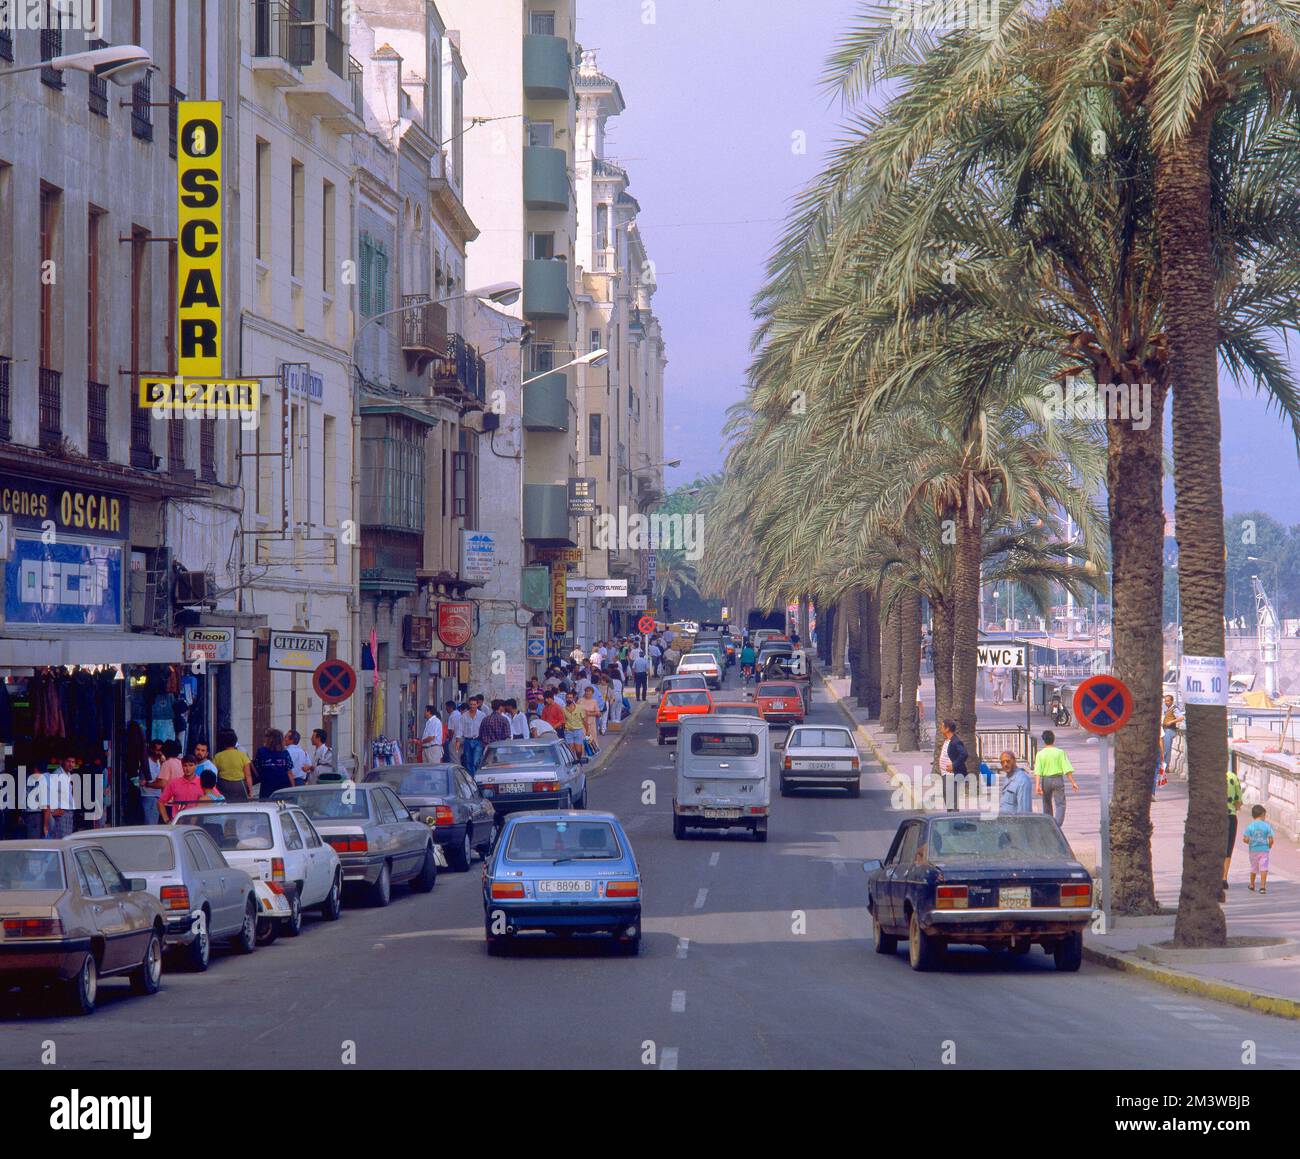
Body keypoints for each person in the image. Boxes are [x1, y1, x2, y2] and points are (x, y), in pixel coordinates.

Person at [1033, 730, 1078, 825]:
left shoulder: (1040, 754)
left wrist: (1037, 786)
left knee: (1046, 803)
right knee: (1060, 804)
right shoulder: (1060, 752)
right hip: (1058, 779)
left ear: (1044, 740)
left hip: (1046, 780)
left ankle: (1049, 825)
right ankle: (1057, 824)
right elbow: (1067, 768)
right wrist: (1073, 782)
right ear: (1054, 739)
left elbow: (1038, 771)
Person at [213, 729, 255, 801]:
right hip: (240, 785)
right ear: (235, 741)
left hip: (223, 785)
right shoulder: (242, 755)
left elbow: (214, 774)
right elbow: (248, 775)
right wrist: (250, 792)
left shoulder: (218, 756)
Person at [42, 756, 78, 839]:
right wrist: (52, 811)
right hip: (61, 814)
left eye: (73, 762)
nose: (71, 764)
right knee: (62, 841)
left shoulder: (68, 775)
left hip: (68, 812)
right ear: (62, 762)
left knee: (67, 840)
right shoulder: (57, 775)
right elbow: (49, 794)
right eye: (68, 761)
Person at [159, 755, 205, 821]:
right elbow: (160, 802)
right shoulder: (174, 783)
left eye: (191, 765)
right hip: (178, 822)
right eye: (185, 765)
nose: (188, 768)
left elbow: (217, 798)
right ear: (182, 766)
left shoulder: (203, 782)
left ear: (196, 766)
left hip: (198, 822)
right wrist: (167, 821)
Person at [254, 729, 296, 800]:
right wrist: (293, 788)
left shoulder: (261, 751)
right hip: (283, 785)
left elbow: (257, 767)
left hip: (267, 785)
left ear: (269, 739)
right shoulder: (285, 753)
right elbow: (289, 772)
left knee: (266, 805)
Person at [1242, 804, 1274, 893]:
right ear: (1262, 814)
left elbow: (1245, 839)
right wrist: (1269, 845)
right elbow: (1271, 839)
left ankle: (1252, 884)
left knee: (1253, 868)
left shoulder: (1250, 826)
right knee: (1264, 868)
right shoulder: (1267, 826)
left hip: (1253, 850)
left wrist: (1250, 842)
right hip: (1264, 850)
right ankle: (1262, 887)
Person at [938, 719, 968, 811]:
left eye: (942, 726)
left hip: (952, 775)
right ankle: (950, 817)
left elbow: (964, 754)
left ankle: (954, 820)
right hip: (945, 774)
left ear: (947, 729)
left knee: (952, 801)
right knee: (948, 799)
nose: (940, 728)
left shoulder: (955, 741)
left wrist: (954, 765)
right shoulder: (947, 740)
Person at [1225, 765, 1244, 893]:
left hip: (1213, 816)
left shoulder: (1209, 774)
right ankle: (1224, 877)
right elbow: (1238, 801)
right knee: (1228, 848)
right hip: (1230, 816)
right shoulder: (1232, 777)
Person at [457, 697, 486, 776]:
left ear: (477, 704)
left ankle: (477, 778)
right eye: (471, 704)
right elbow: (460, 729)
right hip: (467, 741)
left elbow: (485, 728)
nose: (473, 706)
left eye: (474, 704)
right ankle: (471, 780)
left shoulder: (482, 715)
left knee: (475, 761)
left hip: (478, 741)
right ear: (469, 705)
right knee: (468, 762)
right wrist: (458, 741)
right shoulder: (464, 716)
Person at [139, 738, 166, 824]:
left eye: (161, 750)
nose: (160, 753)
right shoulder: (146, 763)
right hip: (149, 796)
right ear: (152, 750)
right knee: (150, 823)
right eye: (158, 750)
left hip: (158, 796)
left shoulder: (160, 762)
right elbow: (141, 781)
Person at [562, 692, 587, 763]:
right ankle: (573, 763)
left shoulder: (579, 708)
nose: (568, 699)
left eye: (570, 697)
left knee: (578, 751)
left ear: (573, 699)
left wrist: (587, 731)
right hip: (568, 731)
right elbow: (563, 720)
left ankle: (579, 761)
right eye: (567, 698)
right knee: (571, 749)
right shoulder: (563, 709)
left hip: (578, 731)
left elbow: (584, 720)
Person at [1161, 694, 1182, 770]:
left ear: (1172, 701)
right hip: (1166, 730)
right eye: (1165, 701)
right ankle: (1165, 766)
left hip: (1169, 730)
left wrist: (1171, 722)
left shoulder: (1174, 708)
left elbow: (1181, 717)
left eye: (1168, 701)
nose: (1166, 702)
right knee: (1164, 749)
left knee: (1166, 749)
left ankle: (1165, 767)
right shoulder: (1168, 709)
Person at [580, 686, 601, 753]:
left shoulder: (594, 701)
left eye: (589, 692)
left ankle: (593, 751)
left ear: (592, 693)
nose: (587, 693)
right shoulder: (580, 700)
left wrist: (588, 713)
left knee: (592, 737)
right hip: (582, 722)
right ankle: (583, 751)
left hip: (591, 722)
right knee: (582, 737)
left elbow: (598, 713)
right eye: (586, 691)